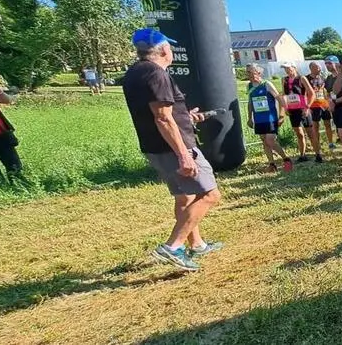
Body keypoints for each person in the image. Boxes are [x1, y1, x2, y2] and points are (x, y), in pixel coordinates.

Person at [122, 28, 223, 272]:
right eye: (171, 47)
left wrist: (185, 117)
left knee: (185, 197)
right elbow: (163, 118)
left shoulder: (134, 73)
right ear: (164, 49)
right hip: (173, 148)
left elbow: (160, 113)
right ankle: (173, 247)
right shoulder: (157, 74)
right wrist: (183, 154)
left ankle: (197, 244)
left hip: (154, 147)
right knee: (211, 195)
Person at [246, 63, 294, 173]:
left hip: (270, 118)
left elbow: (279, 98)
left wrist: (283, 113)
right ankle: (272, 165)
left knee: (270, 140)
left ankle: (286, 160)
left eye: (250, 71)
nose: (248, 74)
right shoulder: (249, 86)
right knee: (264, 141)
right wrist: (249, 117)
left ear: (258, 72)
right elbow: (250, 103)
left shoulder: (267, 84)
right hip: (258, 119)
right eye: (247, 72)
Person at [281, 62, 317, 163]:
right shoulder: (284, 79)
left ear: (294, 68)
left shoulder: (301, 78)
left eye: (289, 68)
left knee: (310, 133)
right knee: (299, 133)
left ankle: (318, 154)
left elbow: (312, 93)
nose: (287, 70)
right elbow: (284, 95)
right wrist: (285, 108)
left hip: (303, 109)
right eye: (285, 69)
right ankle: (302, 155)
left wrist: (307, 107)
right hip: (292, 110)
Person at [306, 61, 333, 159]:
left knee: (327, 124)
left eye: (320, 67)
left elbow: (325, 91)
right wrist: (307, 106)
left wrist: (328, 103)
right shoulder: (307, 79)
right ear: (311, 68)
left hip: (323, 104)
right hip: (313, 106)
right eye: (317, 67)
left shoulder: (322, 78)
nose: (320, 69)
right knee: (315, 126)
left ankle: (330, 143)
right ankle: (318, 146)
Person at [324, 56, 342, 151]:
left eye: (330, 63)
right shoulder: (329, 78)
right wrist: (329, 102)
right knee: (338, 127)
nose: (327, 65)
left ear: (337, 63)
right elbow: (328, 92)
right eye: (326, 63)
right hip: (334, 106)